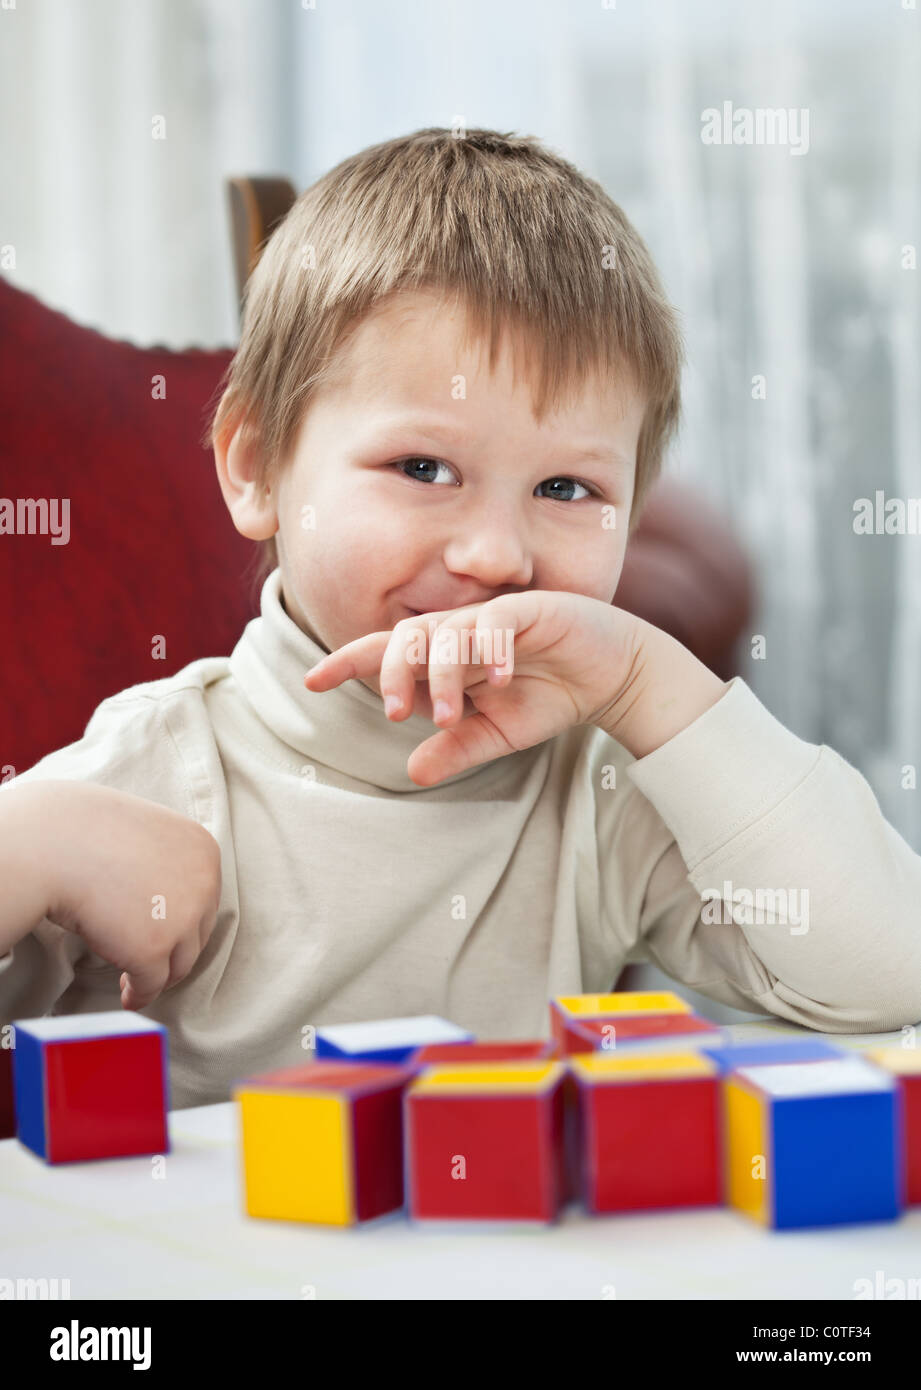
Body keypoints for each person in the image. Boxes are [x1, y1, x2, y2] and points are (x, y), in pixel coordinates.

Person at [2, 128, 919, 1110]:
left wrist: (653, 686)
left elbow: (888, 973)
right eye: (424, 468)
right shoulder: (152, 769)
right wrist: (29, 842)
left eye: (565, 486)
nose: (497, 554)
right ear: (257, 468)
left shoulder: (594, 787)